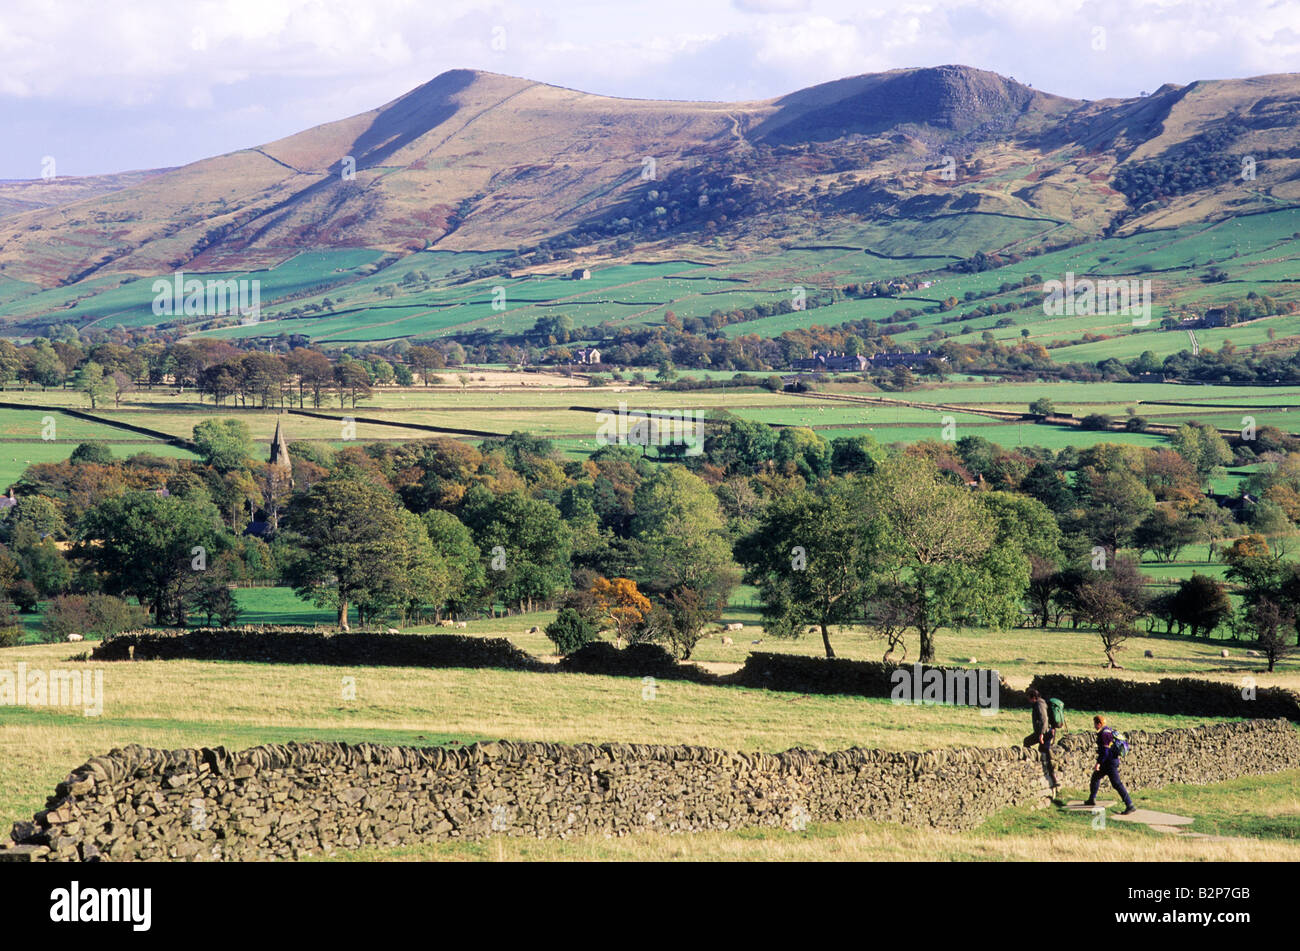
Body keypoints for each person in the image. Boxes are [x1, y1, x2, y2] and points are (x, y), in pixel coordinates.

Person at [1084, 715, 1136, 814]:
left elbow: (1105, 751)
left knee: (1116, 784)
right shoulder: (1108, 730)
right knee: (1095, 777)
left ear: (1099, 724)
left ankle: (1130, 805)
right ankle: (1091, 799)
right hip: (1110, 761)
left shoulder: (1104, 734)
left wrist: (1098, 763)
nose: (1094, 726)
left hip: (1109, 763)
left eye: (1095, 723)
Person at [1022, 688, 1058, 789]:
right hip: (1047, 732)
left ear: (1033, 697)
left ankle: (1053, 778)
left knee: (1032, 744)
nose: (1028, 700)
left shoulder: (1039, 704)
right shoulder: (1041, 703)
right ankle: (1049, 775)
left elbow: (1044, 719)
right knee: (1043, 751)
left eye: (1029, 698)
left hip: (1045, 732)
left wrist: (1041, 734)